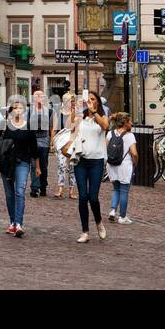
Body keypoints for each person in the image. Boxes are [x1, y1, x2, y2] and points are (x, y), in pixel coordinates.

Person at [0, 101, 39, 236]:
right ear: (11, 110)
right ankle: (12, 222)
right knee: (9, 194)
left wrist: (38, 166)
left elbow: (34, 148)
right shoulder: (5, 124)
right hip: (6, 164)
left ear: (24, 111)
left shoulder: (29, 127)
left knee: (20, 192)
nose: (18, 110)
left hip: (23, 162)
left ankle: (19, 224)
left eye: (20, 108)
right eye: (15, 108)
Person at [74, 92, 110, 243]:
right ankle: (85, 232)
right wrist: (74, 109)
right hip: (81, 161)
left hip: (96, 161)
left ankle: (99, 222)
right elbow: (71, 128)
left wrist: (94, 112)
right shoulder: (81, 117)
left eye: (93, 99)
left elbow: (105, 126)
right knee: (82, 196)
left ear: (97, 103)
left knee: (93, 197)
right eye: (87, 100)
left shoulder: (102, 116)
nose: (90, 102)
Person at [105, 111, 138, 223]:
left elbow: (105, 149)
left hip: (112, 164)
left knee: (116, 189)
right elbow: (134, 153)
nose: (131, 124)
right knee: (124, 191)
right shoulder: (130, 136)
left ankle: (113, 211)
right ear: (125, 123)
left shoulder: (110, 134)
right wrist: (135, 162)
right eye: (130, 122)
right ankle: (122, 217)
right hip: (124, 166)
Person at [27, 90, 54, 197]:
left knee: (43, 166)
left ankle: (43, 186)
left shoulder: (49, 111)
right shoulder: (29, 111)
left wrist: (51, 142)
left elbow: (52, 128)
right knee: (33, 165)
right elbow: (26, 126)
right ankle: (34, 188)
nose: (38, 97)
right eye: (36, 96)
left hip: (44, 142)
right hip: (32, 142)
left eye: (40, 96)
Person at [53, 93, 79, 199]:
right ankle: (60, 187)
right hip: (61, 142)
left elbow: (77, 128)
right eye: (71, 101)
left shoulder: (77, 113)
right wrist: (52, 142)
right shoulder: (58, 113)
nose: (73, 103)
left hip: (72, 141)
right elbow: (54, 129)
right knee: (61, 165)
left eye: (74, 101)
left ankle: (72, 189)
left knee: (72, 165)